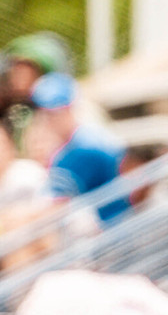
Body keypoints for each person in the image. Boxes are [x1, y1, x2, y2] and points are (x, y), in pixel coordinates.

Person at [28, 74, 129, 224]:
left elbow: (54, 209)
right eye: (46, 113)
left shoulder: (83, 146)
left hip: (112, 226)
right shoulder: (81, 140)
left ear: (70, 109)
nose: (48, 120)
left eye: (54, 113)